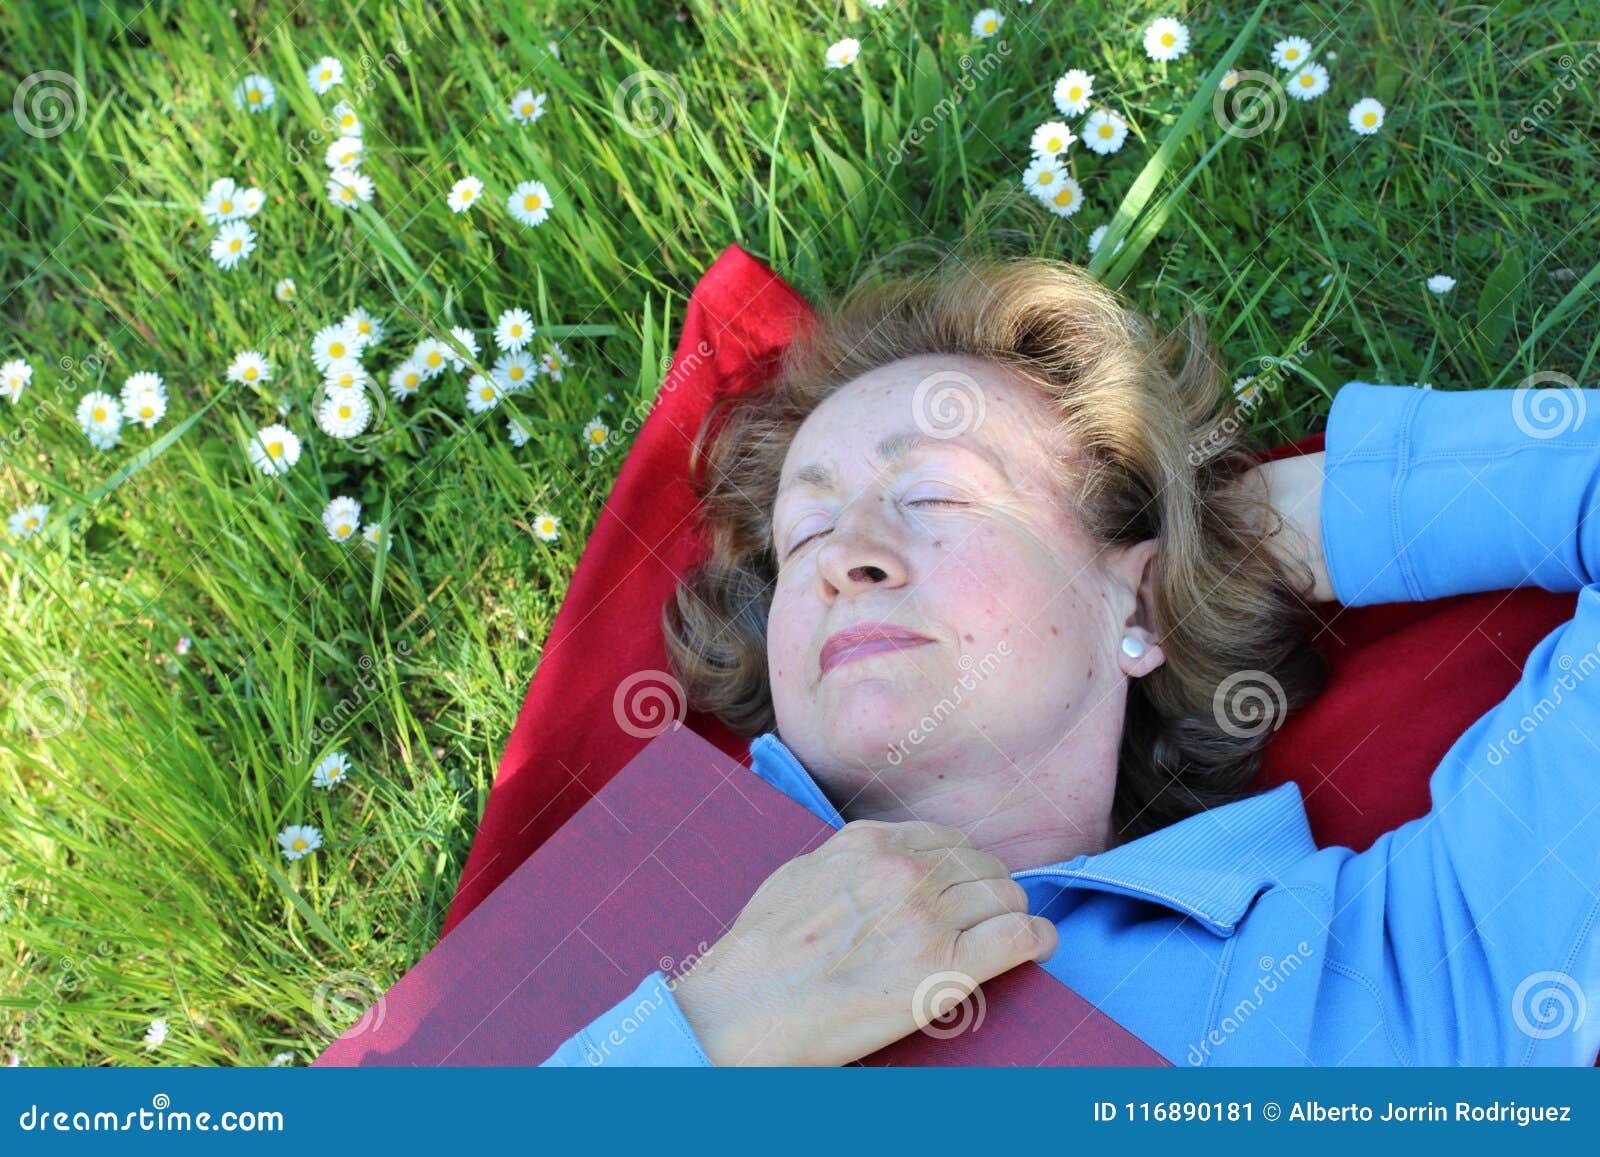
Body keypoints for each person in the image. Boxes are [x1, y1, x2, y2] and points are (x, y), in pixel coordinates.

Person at [541, 254, 1600, 1066]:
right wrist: (711, 1031)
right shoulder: (617, 936)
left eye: (937, 497)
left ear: (1133, 602)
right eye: (806, 531)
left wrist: (1299, 522)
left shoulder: (1367, 978)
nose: (844, 558)